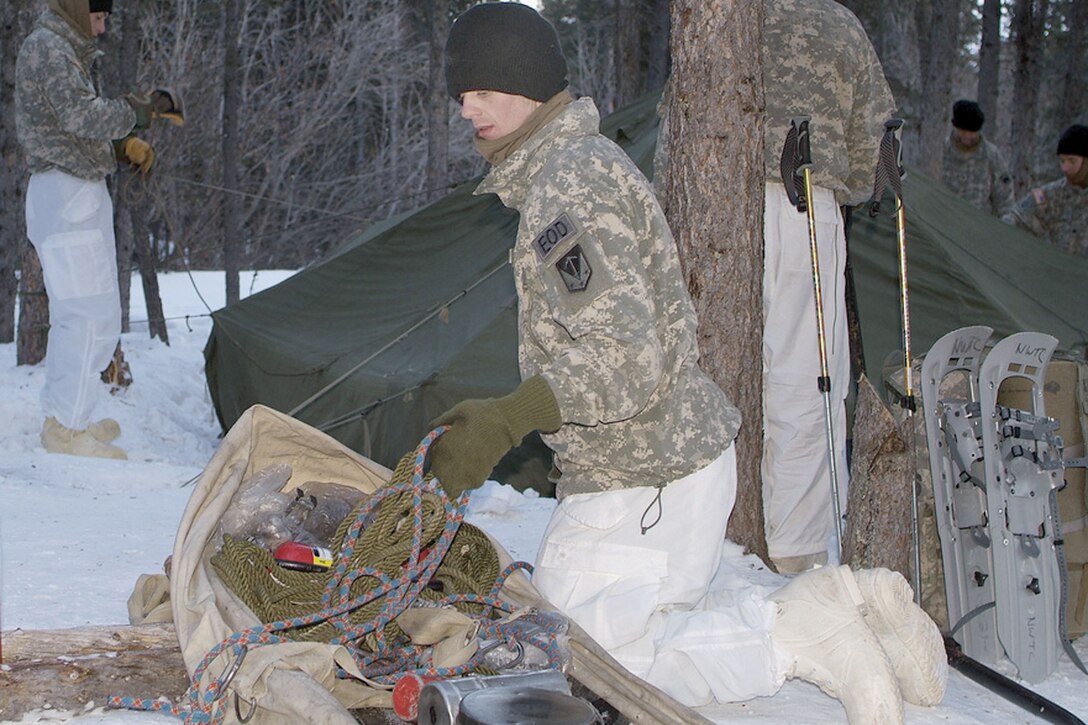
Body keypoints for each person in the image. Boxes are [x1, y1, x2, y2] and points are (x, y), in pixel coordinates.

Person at [430, 4, 945, 723]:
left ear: (529, 84)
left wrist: (507, 418)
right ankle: (862, 606)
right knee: (601, 635)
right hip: (660, 464)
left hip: (643, 476)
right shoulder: (572, 167)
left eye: (483, 90)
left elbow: (628, 356)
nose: (467, 109)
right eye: (462, 94)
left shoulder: (567, 189)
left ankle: (804, 631)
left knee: (591, 666)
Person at [760, 0, 896, 574]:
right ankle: (794, 546)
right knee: (809, 374)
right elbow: (875, 141)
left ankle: (742, 529)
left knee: (740, 366)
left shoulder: (726, 18)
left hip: (718, 209)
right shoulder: (838, 23)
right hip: (806, 205)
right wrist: (857, 187)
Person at [15, 0, 181, 459]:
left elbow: (70, 127)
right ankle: (66, 430)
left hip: (77, 192)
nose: (102, 27)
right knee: (84, 315)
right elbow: (80, 116)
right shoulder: (50, 48)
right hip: (65, 194)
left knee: (98, 313)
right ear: (75, 8)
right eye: (99, 15)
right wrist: (137, 110)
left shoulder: (63, 49)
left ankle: (71, 415)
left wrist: (121, 148)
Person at [1002, 123, 1088, 257]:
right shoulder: (1050, 194)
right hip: (1058, 268)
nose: (1065, 168)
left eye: (1072, 161)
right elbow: (1016, 220)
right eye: (1062, 161)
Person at [940, 99, 1014, 216]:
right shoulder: (941, 151)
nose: (967, 136)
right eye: (963, 131)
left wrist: (1006, 222)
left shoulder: (991, 155)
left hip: (979, 221)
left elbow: (1004, 197)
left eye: (972, 132)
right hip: (944, 218)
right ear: (956, 128)